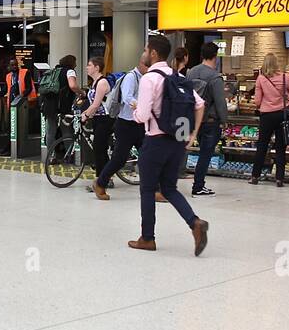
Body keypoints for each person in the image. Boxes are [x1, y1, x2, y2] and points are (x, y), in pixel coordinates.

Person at [129, 35, 209, 254]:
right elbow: (200, 104)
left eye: (146, 49)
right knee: (169, 188)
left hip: (155, 141)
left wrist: (135, 111)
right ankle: (195, 223)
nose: (144, 53)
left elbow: (143, 114)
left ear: (153, 53)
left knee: (147, 189)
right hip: (177, 142)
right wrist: (192, 134)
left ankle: (147, 238)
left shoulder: (149, 78)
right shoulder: (177, 76)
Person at [91, 52, 149, 200]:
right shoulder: (131, 77)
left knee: (148, 156)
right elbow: (127, 97)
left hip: (139, 123)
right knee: (119, 159)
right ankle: (100, 183)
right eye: (148, 66)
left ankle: (155, 190)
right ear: (142, 64)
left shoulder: (144, 78)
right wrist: (141, 106)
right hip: (126, 125)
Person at [249, 52, 289, 187]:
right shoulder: (286, 77)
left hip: (266, 116)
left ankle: (255, 176)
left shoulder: (260, 79)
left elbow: (257, 101)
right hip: (283, 115)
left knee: (262, 145)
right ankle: (279, 179)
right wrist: (287, 93)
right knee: (280, 147)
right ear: (277, 63)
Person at [188, 42, 228, 197]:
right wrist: (225, 121)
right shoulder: (215, 77)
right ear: (215, 56)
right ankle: (198, 186)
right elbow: (220, 102)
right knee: (205, 155)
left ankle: (196, 184)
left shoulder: (191, 72)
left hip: (195, 120)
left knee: (199, 152)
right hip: (211, 121)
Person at [79, 57, 114, 181]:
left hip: (105, 119)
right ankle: (105, 178)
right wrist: (85, 113)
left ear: (97, 67)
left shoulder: (102, 82)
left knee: (99, 149)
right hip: (98, 119)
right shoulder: (94, 82)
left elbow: (96, 104)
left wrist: (86, 115)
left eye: (89, 65)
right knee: (100, 149)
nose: (87, 67)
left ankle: (101, 180)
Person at [42, 54, 79, 163]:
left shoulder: (53, 71)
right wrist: (81, 92)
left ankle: (50, 157)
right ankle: (68, 156)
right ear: (71, 63)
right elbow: (72, 86)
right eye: (75, 62)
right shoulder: (70, 71)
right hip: (63, 106)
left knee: (50, 132)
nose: (76, 64)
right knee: (67, 130)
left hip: (49, 106)